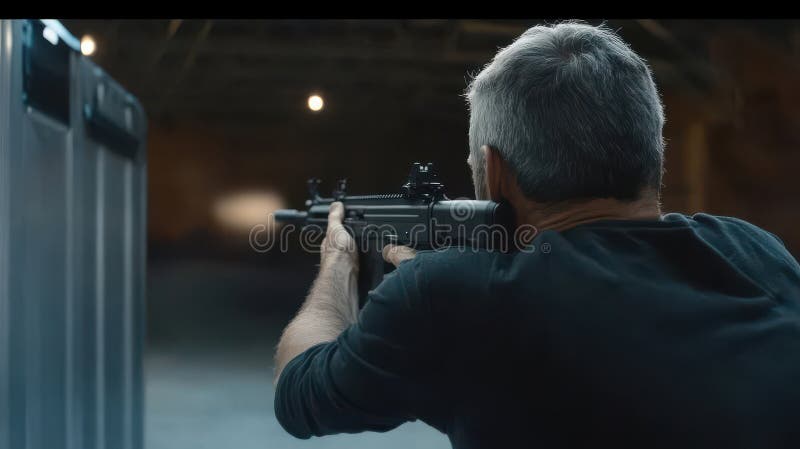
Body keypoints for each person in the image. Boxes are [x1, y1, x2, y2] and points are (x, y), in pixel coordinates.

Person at [272, 21, 800, 449]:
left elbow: (298, 397)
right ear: (653, 153)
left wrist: (339, 262)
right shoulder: (753, 252)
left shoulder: (453, 296)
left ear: (495, 171)